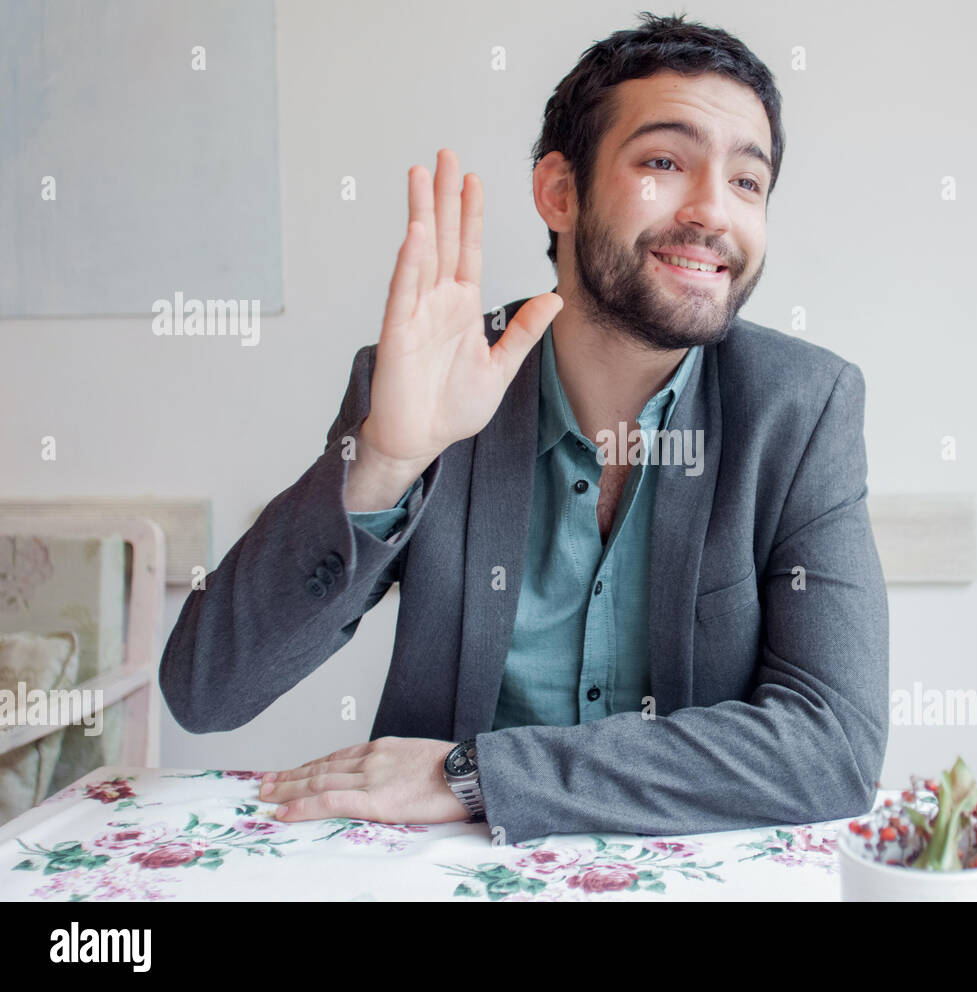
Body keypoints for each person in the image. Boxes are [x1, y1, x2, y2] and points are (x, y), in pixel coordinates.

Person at [160, 12, 889, 844]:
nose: (713, 213)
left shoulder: (801, 408)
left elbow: (832, 749)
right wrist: (386, 463)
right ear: (560, 191)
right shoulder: (432, 387)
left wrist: (474, 775)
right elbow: (203, 690)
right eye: (663, 161)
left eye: (747, 182)